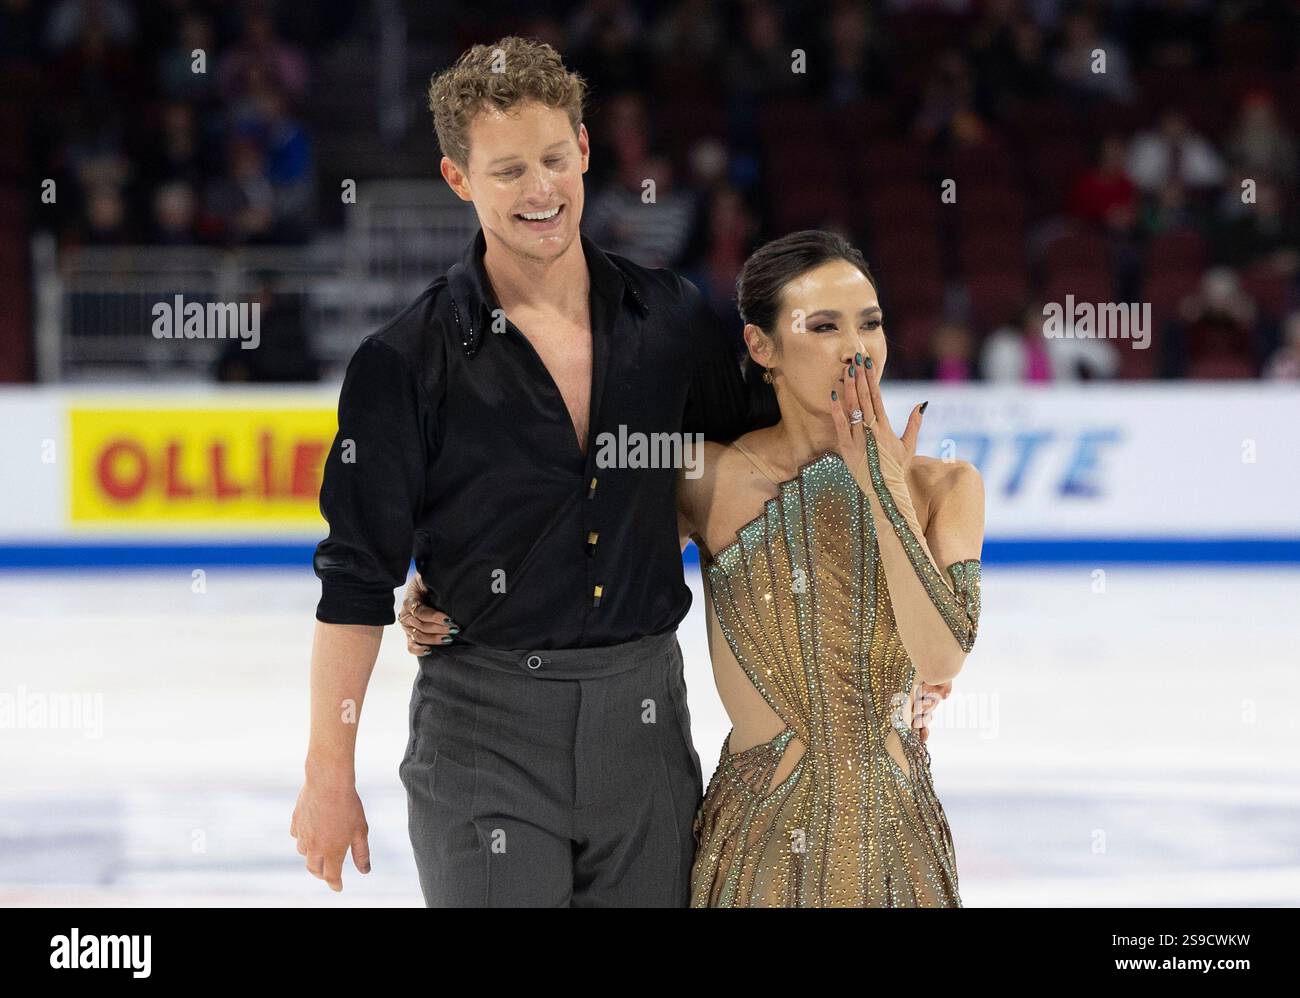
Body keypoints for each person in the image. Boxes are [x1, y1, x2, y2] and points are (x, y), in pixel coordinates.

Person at [682, 230, 983, 905]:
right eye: (824, 326)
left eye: (870, 323)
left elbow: (940, 657)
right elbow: (582, 572)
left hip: (897, 846)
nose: (858, 347)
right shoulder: (708, 477)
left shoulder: (946, 485)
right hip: (758, 844)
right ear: (762, 347)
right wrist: (442, 587)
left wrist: (884, 491)